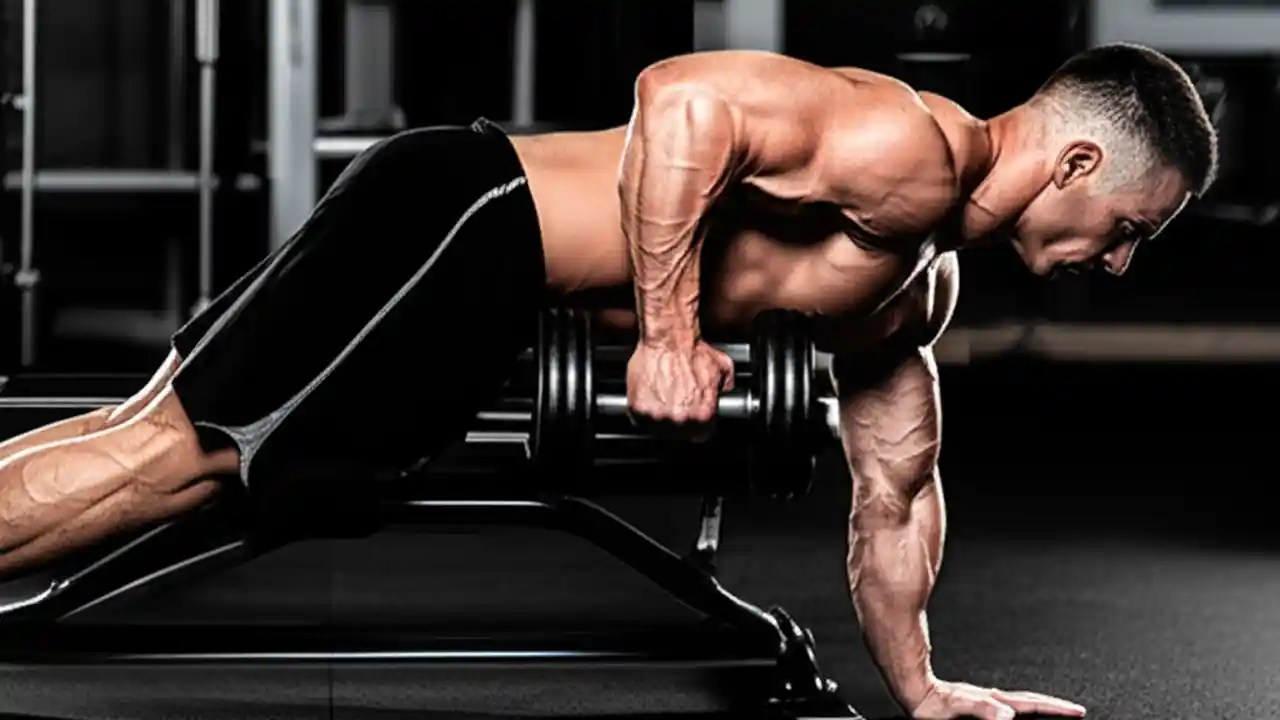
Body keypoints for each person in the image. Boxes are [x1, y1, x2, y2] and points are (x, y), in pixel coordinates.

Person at [0, 43, 1214, 720]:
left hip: (466, 242)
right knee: (189, 460)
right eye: (1128, 229)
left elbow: (894, 492)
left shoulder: (915, 287)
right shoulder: (910, 145)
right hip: (473, 220)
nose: (1116, 262)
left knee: (158, 436)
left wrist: (922, 688)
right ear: (1076, 161)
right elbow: (679, 98)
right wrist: (668, 335)